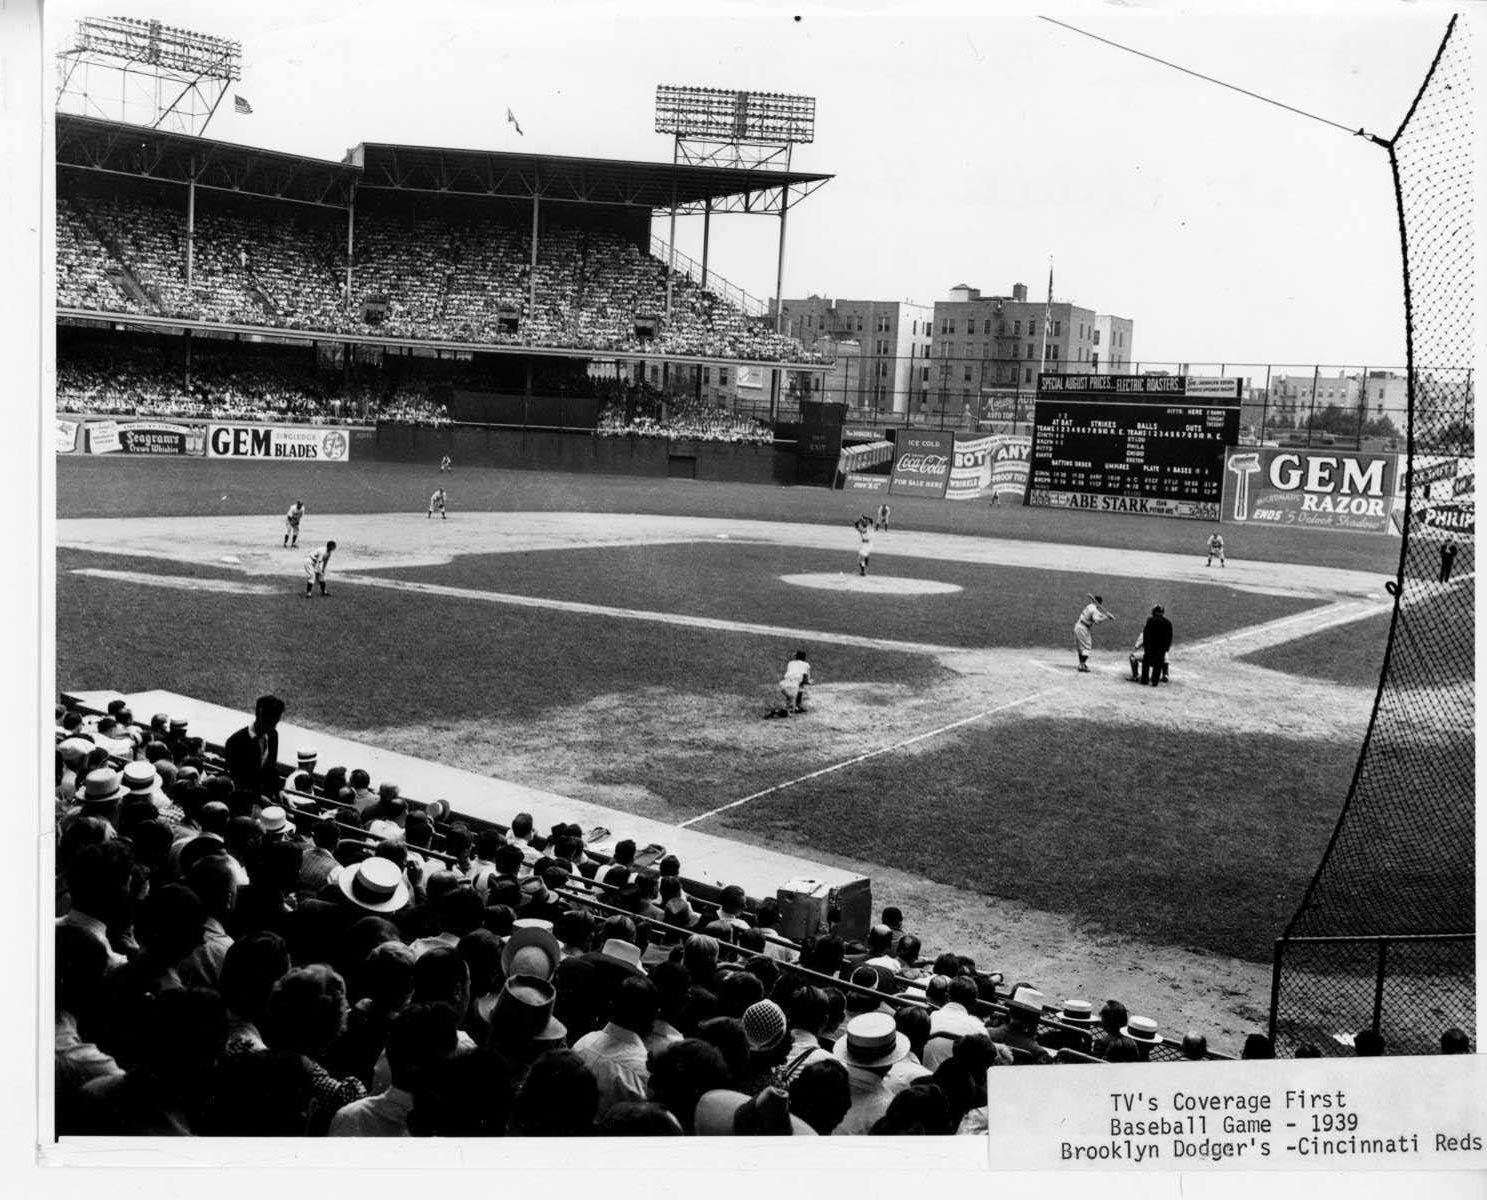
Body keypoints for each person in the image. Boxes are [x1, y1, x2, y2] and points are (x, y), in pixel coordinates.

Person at [224, 694, 285, 799]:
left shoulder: (273, 735)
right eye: (271, 723)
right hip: (243, 801)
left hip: (266, 798)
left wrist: (279, 791)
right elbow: (237, 779)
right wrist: (258, 797)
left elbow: (271, 768)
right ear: (261, 716)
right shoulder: (234, 742)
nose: (274, 727)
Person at [1073, 594, 1114, 673]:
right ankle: (1082, 665)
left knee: (1082, 647)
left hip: (1078, 626)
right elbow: (1097, 621)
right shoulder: (1094, 610)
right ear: (1100, 603)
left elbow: (1097, 614)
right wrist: (1106, 617)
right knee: (1087, 647)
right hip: (1083, 629)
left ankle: (1082, 664)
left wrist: (1106, 615)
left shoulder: (1090, 606)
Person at [769, 649, 812, 719]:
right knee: (791, 709)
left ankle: (797, 706)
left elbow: (792, 674)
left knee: (790, 699)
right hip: (793, 686)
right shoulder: (806, 664)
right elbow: (805, 679)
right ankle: (777, 712)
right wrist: (808, 682)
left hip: (784, 684)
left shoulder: (790, 663)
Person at [1140, 605, 1173, 688]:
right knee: (1158, 664)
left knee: (1146, 663)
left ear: (1154, 612)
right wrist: (1166, 649)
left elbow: (1146, 635)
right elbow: (1169, 637)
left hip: (1150, 647)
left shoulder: (1150, 621)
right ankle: (1155, 682)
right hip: (1161, 649)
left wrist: (1146, 646)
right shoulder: (1168, 623)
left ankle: (1144, 680)